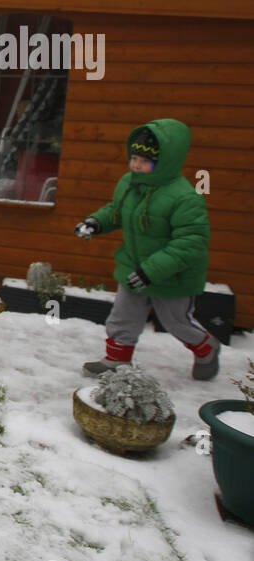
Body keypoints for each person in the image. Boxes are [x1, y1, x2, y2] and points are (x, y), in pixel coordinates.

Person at [76, 119, 219, 380]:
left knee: (177, 322)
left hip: (173, 276)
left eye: (143, 161)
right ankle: (116, 361)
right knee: (123, 316)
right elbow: (116, 211)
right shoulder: (130, 183)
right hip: (133, 266)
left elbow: (190, 242)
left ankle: (206, 347)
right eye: (133, 158)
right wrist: (95, 222)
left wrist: (151, 271)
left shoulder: (185, 198)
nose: (135, 165)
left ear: (164, 161)